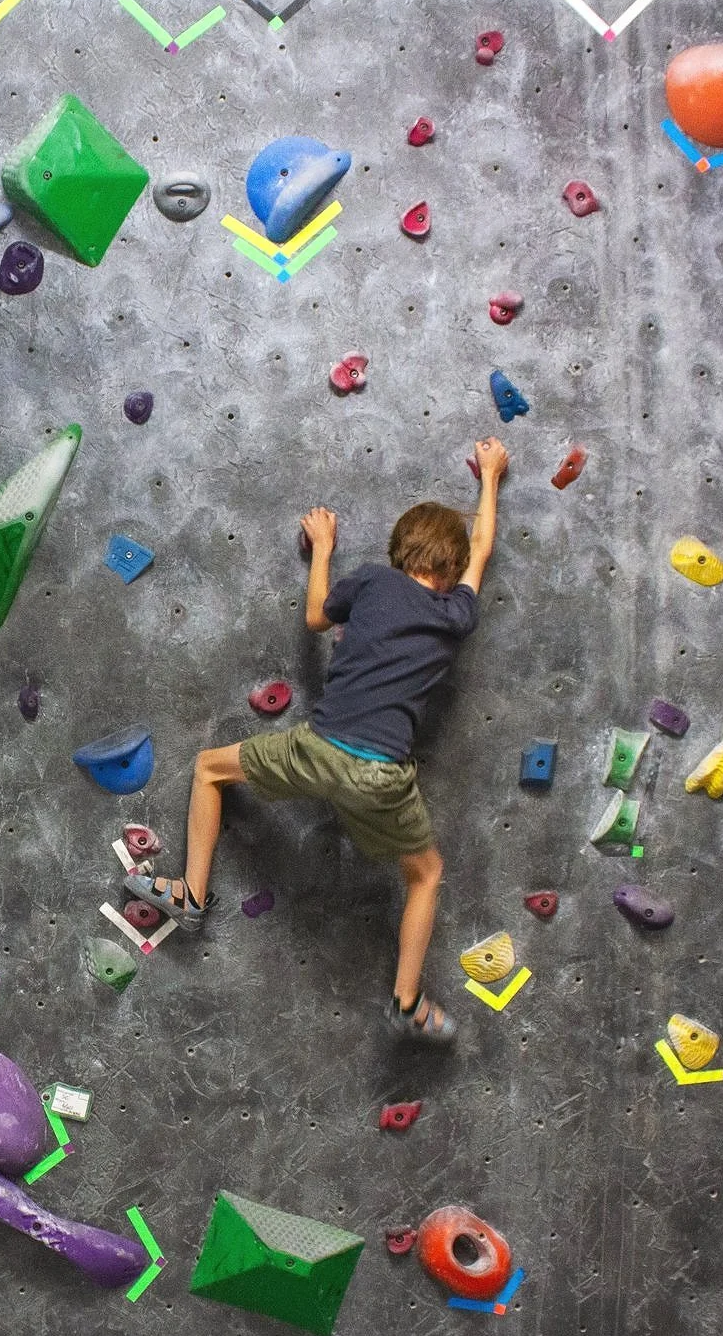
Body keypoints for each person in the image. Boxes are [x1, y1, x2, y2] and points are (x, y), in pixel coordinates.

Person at [129, 437, 508, 1043]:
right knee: (425, 876)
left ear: (397, 551)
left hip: (318, 749)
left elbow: (314, 620)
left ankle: (192, 892)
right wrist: (489, 477)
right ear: (448, 571)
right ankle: (407, 1000)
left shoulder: (372, 583)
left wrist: (325, 548)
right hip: (381, 776)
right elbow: (482, 549)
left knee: (207, 769)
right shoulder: (454, 615)